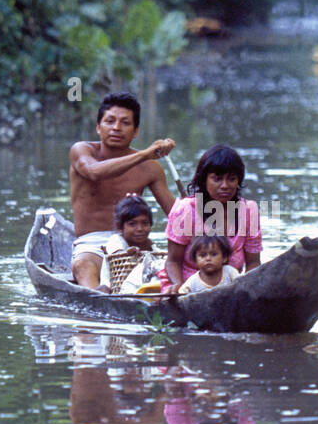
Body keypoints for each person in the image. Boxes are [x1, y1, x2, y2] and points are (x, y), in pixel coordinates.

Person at [69, 92, 176, 288]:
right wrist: (145, 154)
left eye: (125, 123)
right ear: (98, 127)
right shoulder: (81, 150)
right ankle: (97, 299)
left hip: (134, 244)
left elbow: (175, 214)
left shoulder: (150, 167)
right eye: (110, 121)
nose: (116, 128)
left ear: (135, 132)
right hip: (92, 246)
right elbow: (94, 172)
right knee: (82, 265)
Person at [162, 144, 262, 292]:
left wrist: (246, 290)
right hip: (189, 288)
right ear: (204, 180)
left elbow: (253, 262)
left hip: (230, 289)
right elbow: (173, 261)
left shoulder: (248, 211)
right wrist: (180, 290)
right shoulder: (186, 209)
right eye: (217, 179)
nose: (225, 186)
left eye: (232, 179)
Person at [98, 196, 164, 294]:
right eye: (132, 224)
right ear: (120, 226)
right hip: (114, 288)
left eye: (145, 223)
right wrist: (128, 253)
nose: (140, 229)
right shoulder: (116, 240)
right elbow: (118, 254)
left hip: (143, 288)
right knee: (104, 290)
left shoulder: (151, 247)